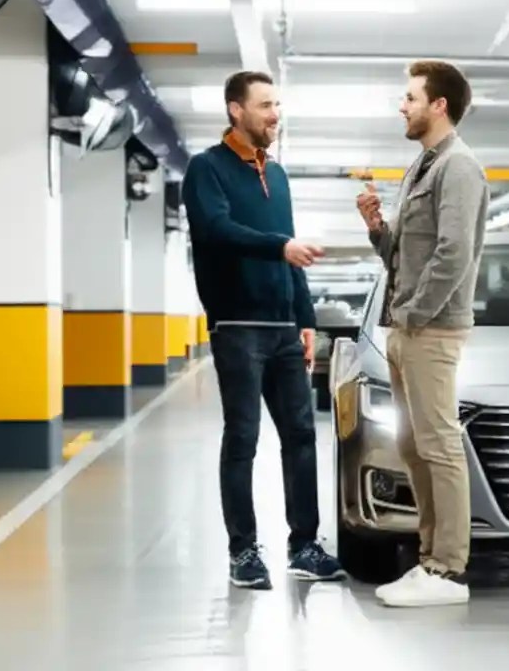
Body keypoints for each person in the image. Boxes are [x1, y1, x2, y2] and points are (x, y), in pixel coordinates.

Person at [182, 70, 346, 590]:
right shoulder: (206, 168)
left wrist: (306, 319)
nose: (275, 115)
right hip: (237, 326)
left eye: (277, 105)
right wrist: (279, 247)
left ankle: (304, 546)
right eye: (265, 105)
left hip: (282, 327)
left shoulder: (277, 175)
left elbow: (289, 247)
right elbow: (216, 230)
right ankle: (243, 551)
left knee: (301, 435)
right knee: (243, 437)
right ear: (237, 110)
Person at [355, 60, 490, 607]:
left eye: (410, 97)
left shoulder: (459, 167)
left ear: (439, 105)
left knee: (439, 446)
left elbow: (454, 253)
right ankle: (429, 557)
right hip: (406, 328)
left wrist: (414, 314)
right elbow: (405, 256)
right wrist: (377, 228)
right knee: (413, 446)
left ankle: (448, 569)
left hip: (430, 330)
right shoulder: (422, 166)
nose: (402, 106)